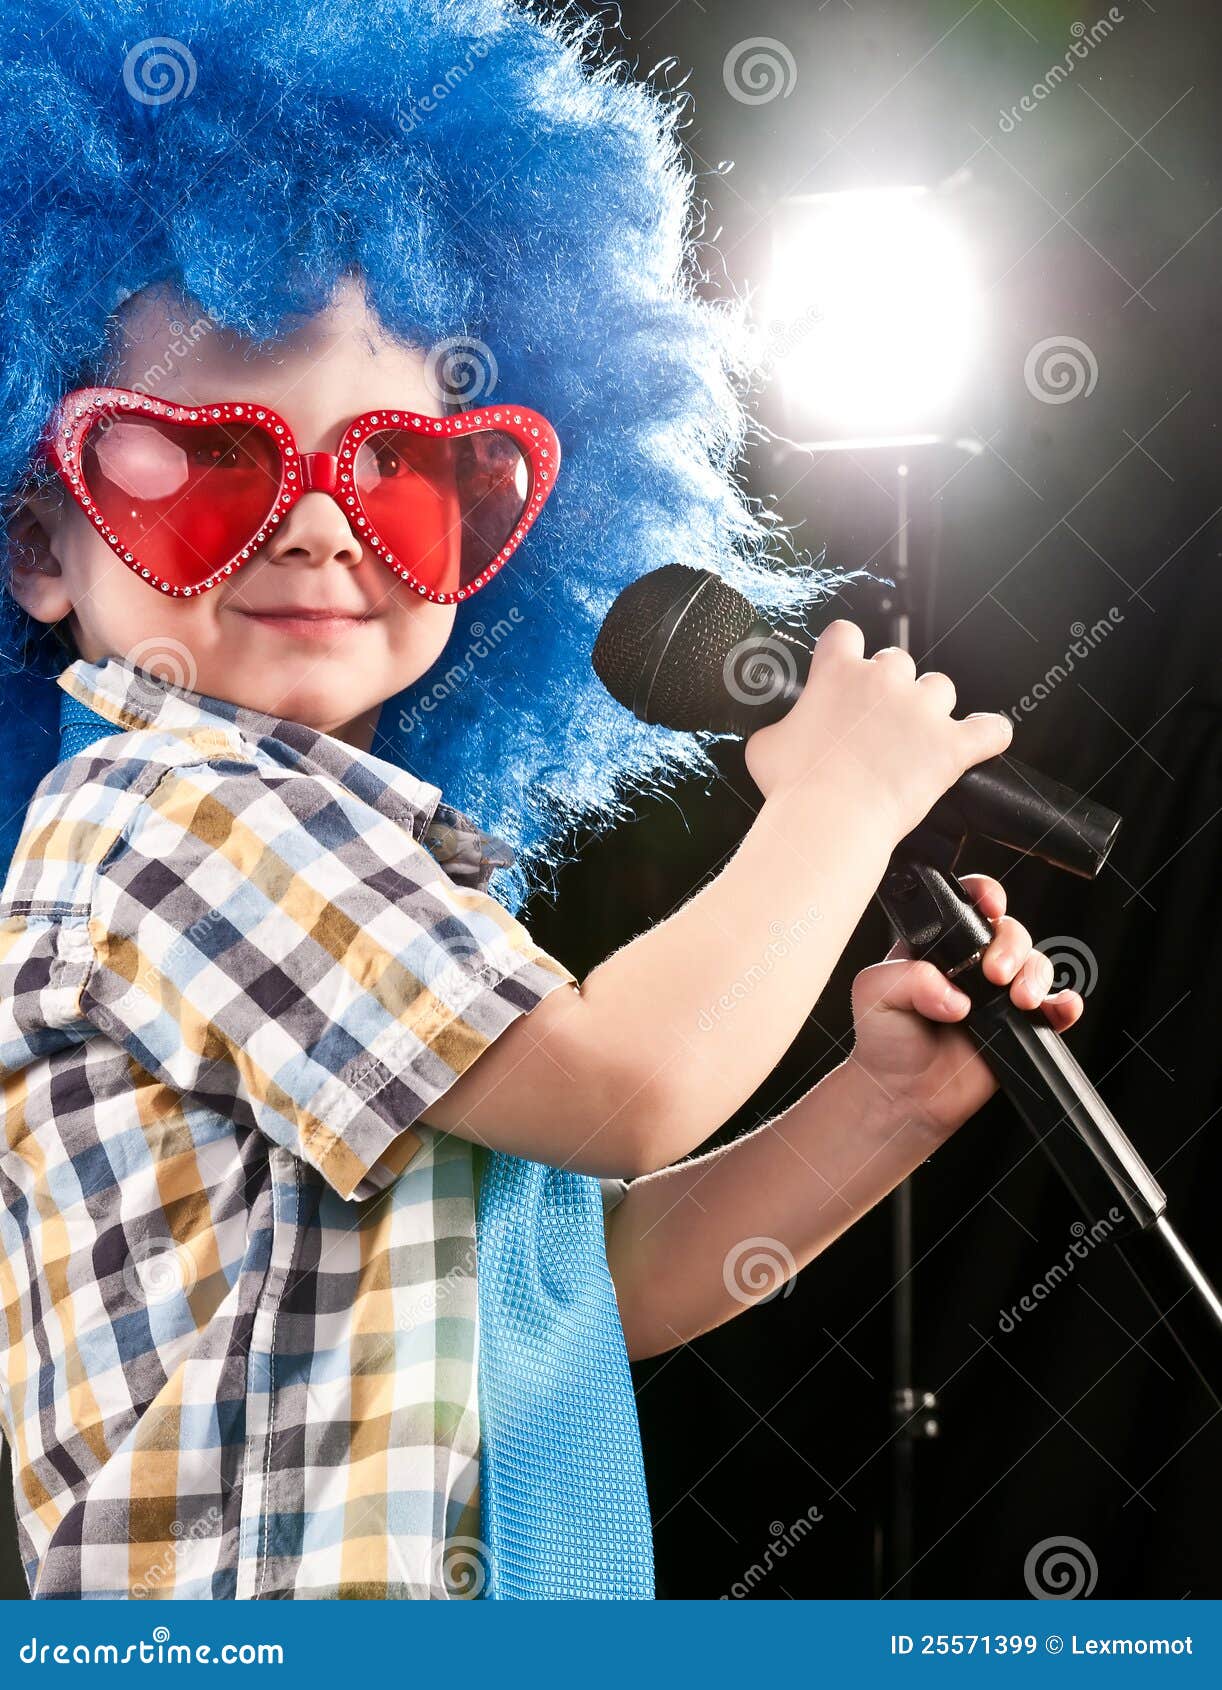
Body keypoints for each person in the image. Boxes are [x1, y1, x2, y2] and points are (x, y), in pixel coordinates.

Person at [0, 0, 1080, 1600]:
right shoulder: (162, 817)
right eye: (207, 465)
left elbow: (557, 1310)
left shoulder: (369, 868)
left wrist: (880, 1106)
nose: (315, 533)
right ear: (39, 544)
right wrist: (834, 809)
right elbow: (623, 1089)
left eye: (404, 476)